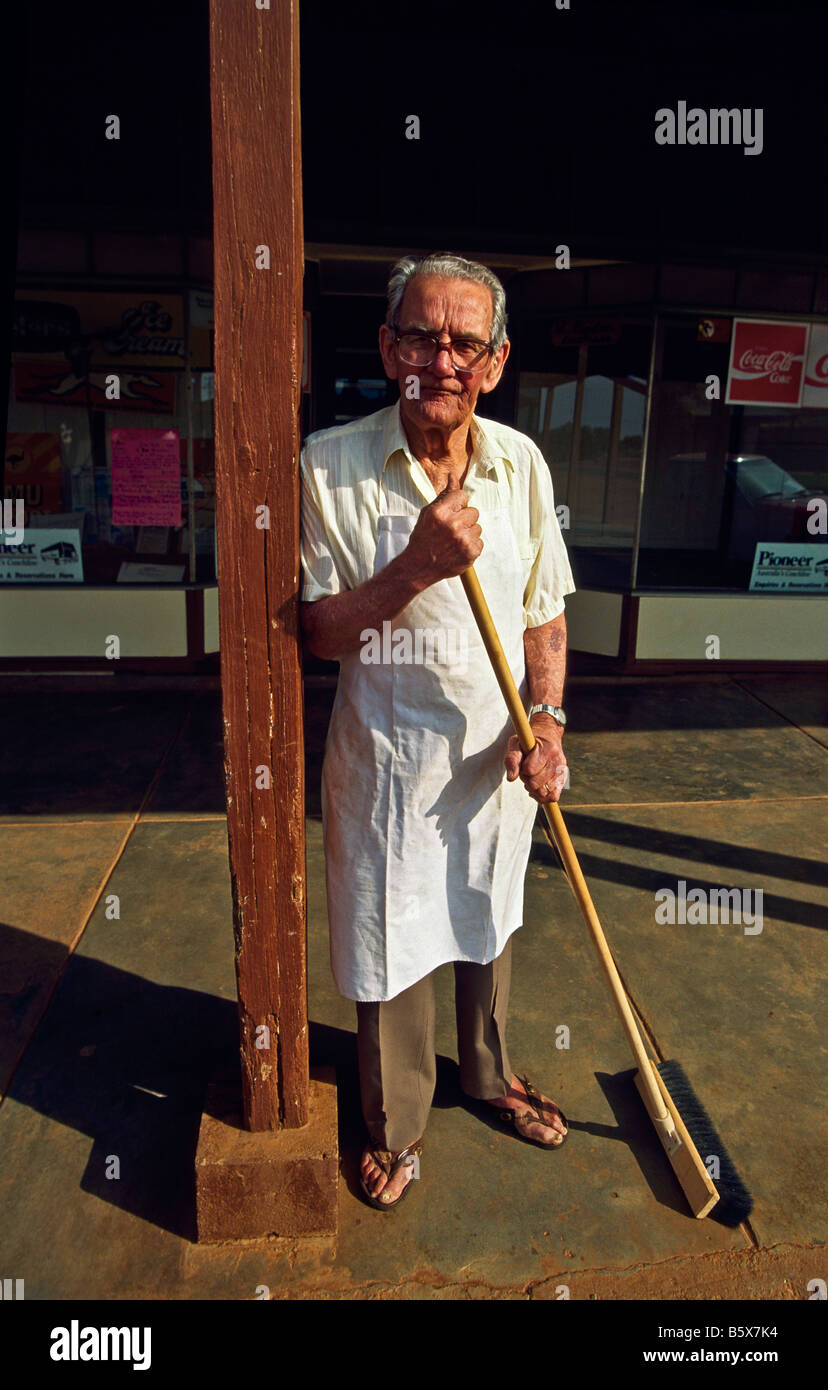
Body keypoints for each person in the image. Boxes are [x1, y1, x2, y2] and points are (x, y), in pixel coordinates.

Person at [299, 252, 576, 1210]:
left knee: (488, 926)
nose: (441, 359)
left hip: (496, 772)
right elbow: (317, 631)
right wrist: (415, 565)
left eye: (465, 342)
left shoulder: (521, 465)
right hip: (388, 774)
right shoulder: (329, 465)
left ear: (494, 363)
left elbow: (544, 608)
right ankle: (395, 1125)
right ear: (387, 347)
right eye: (421, 334)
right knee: (393, 951)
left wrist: (545, 717)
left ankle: (488, 1075)